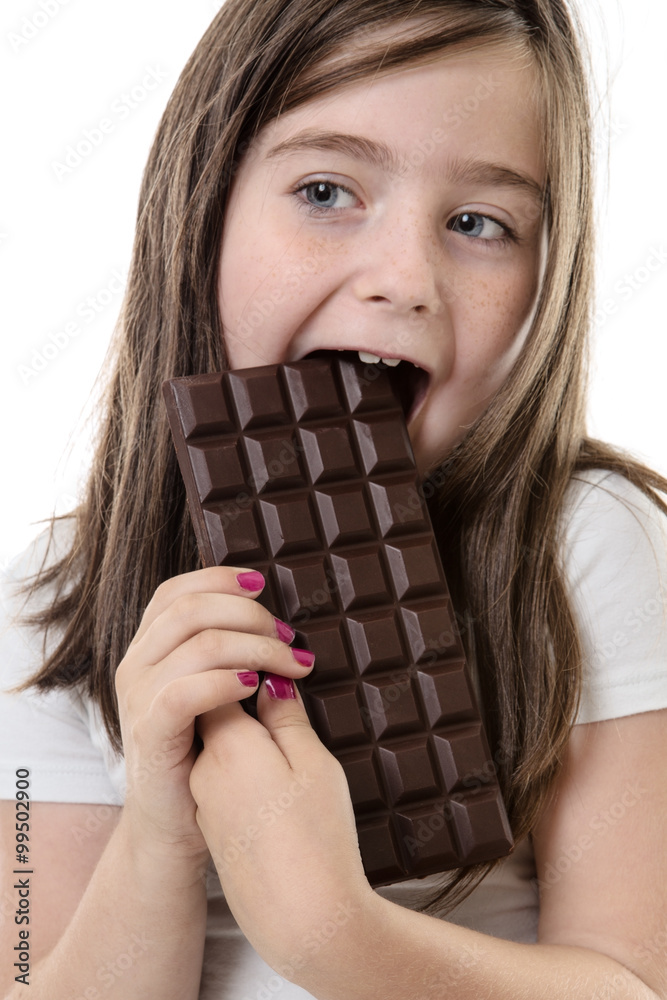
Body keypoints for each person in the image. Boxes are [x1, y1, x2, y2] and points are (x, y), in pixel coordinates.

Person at [1, 0, 666, 997]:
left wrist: (331, 930)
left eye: (479, 222)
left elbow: (632, 980)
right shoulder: (53, 604)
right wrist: (158, 835)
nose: (405, 277)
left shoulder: (580, 548)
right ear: (204, 204)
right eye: (324, 189)